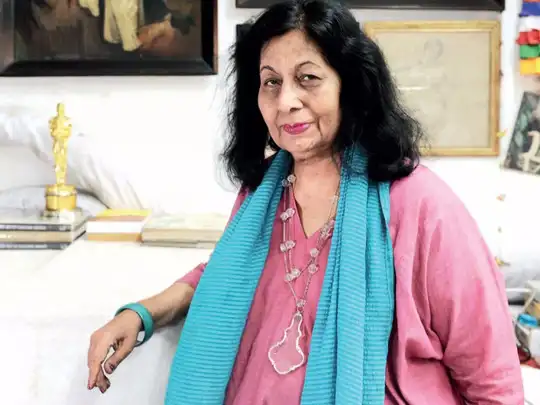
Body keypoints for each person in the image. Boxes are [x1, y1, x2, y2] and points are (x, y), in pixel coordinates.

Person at [86, 0, 524, 404]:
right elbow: (224, 275)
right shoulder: (262, 191)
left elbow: (493, 381)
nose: (286, 102)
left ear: (350, 86)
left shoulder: (422, 205)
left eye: (307, 78)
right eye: (271, 82)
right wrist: (141, 315)